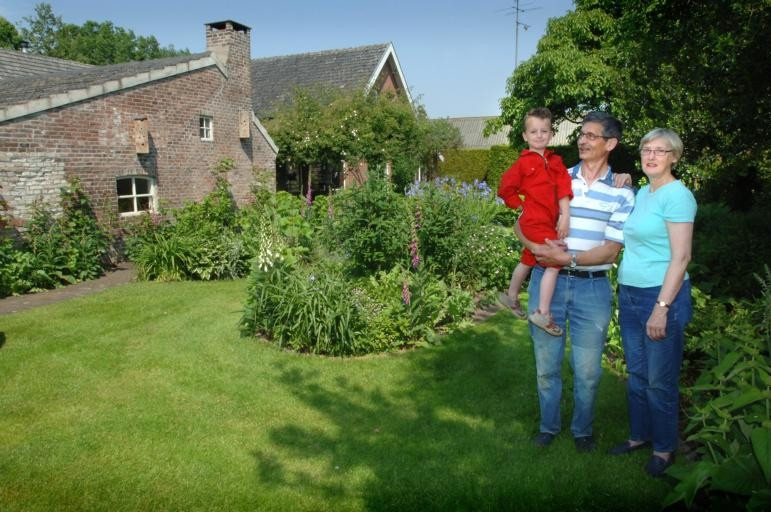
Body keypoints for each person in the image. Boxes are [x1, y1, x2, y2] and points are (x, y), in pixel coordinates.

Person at [515, 111, 636, 453]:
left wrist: (565, 259)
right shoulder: (555, 177)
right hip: (547, 283)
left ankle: (582, 430)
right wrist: (536, 248)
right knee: (546, 366)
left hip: (592, 288)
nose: (582, 140)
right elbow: (521, 224)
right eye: (581, 134)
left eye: (592, 136)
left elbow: (611, 251)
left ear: (610, 144)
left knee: (587, 371)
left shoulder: (622, 193)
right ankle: (548, 427)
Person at [608, 128, 696, 477]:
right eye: (647, 149)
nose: (652, 155)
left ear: (674, 156)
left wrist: (661, 307)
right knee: (637, 374)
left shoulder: (678, 196)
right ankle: (639, 436)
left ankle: (663, 448)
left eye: (661, 150)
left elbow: (682, 256)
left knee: (660, 380)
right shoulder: (643, 193)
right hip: (629, 293)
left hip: (661, 296)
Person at [497, 107, 572, 336]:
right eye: (533, 131)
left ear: (550, 134)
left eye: (544, 131)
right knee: (555, 258)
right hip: (533, 220)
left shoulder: (556, 162)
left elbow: (563, 190)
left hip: (548, 222)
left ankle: (511, 296)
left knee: (530, 257)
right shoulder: (522, 164)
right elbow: (505, 189)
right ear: (525, 136)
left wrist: (565, 215)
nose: (539, 135)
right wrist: (520, 207)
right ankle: (542, 311)